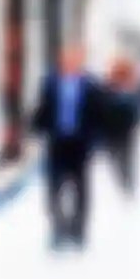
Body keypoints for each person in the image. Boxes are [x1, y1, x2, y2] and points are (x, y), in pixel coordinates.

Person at [30, 45, 109, 250]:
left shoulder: (91, 85)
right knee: (54, 190)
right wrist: (36, 129)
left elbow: (100, 115)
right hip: (57, 143)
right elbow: (42, 109)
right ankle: (58, 231)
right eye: (66, 58)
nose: (70, 62)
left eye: (74, 59)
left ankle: (77, 232)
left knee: (81, 190)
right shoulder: (50, 82)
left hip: (80, 145)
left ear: (80, 61)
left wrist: (97, 141)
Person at [103, 57, 140, 197]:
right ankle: (126, 182)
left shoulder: (132, 87)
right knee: (119, 157)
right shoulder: (110, 88)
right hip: (115, 129)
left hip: (125, 129)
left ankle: (127, 183)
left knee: (124, 157)